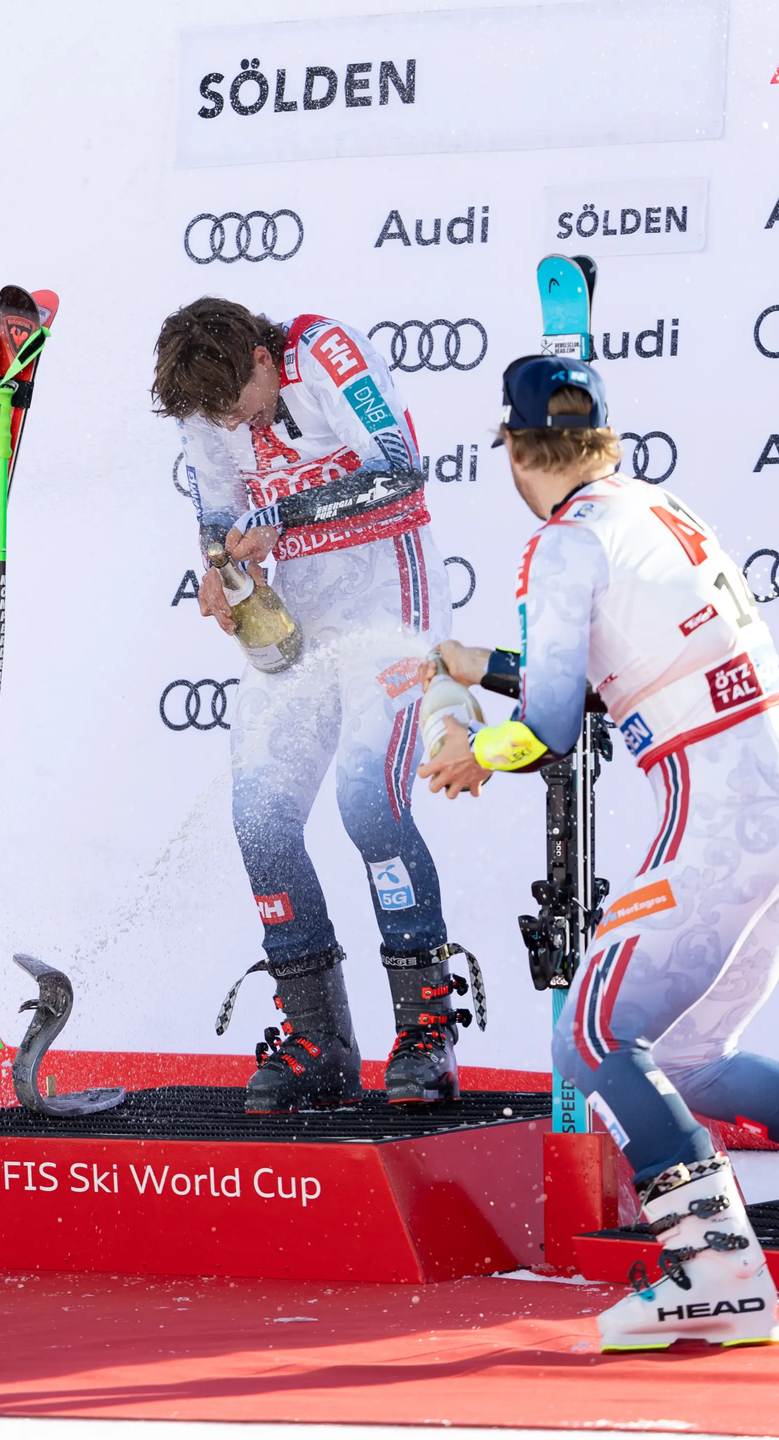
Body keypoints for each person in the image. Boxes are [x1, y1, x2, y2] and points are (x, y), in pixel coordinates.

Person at [419, 353, 779, 1350]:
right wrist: (482, 667)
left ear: (512, 449)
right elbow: (592, 676)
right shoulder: (657, 507)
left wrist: (476, 753)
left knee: (593, 1035)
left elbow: (551, 720)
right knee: (694, 1065)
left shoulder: (564, 542)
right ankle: (720, 1272)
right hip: (757, 793)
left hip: (721, 804)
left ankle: (716, 1276)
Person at [153, 297, 473, 1113]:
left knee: (368, 805)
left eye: (238, 405)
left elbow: (401, 467)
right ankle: (319, 1042)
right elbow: (220, 506)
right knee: (260, 818)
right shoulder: (211, 402)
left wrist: (282, 513)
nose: (234, 423)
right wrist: (219, 567)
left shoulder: (326, 351)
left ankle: (427, 1033)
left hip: (388, 604)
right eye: (215, 416)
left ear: (263, 359)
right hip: (297, 618)